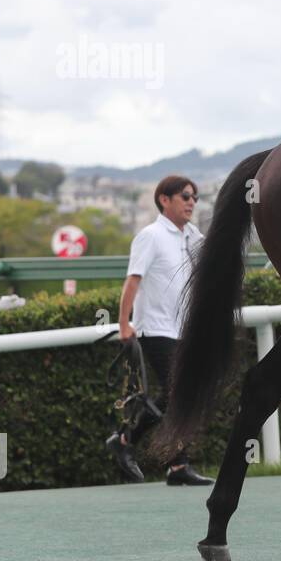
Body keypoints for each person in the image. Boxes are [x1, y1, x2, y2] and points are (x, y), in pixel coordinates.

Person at [106, 175, 213, 486]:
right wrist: (124, 323)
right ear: (164, 200)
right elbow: (133, 280)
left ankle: (173, 464)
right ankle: (131, 443)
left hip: (183, 330)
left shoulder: (192, 236)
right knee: (178, 393)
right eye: (185, 196)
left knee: (180, 396)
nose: (192, 201)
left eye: (195, 196)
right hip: (155, 329)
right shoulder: (150, 236)